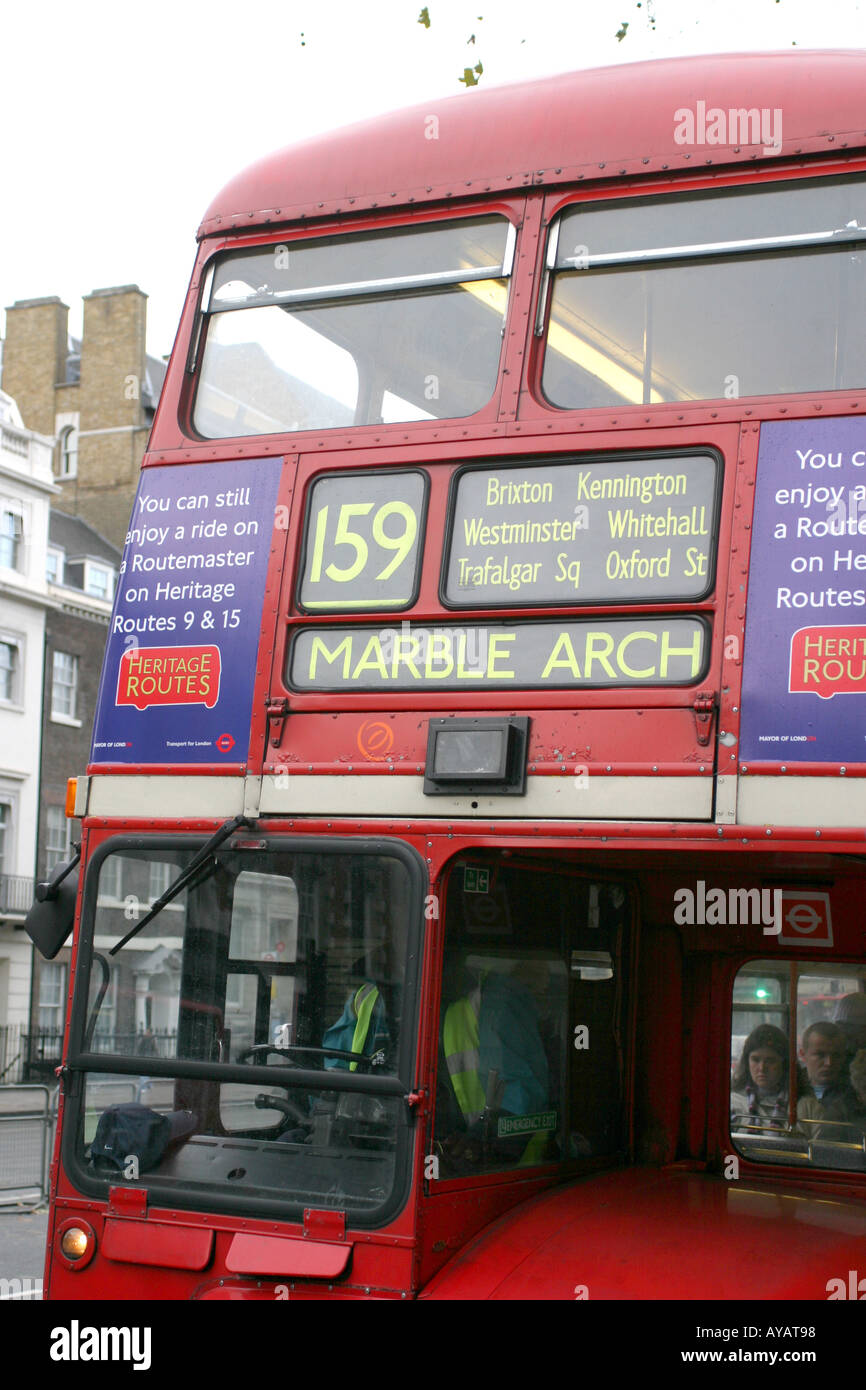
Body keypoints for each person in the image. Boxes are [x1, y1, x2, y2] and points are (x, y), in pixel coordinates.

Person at [796, 1020, 858, 1126]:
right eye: (820, 1055)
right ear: (802, 1054)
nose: (829, 1063)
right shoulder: (793, 1088)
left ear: (844, 1056)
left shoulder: (856, 1094)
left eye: (836, 1055)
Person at [730, 1024, 790, 1130]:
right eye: (755, 1060)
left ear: (784, 1063)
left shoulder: (804, 1106)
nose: (762, 1068)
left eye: (770, 1061)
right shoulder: (733, 1102)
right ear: (747, 1062)